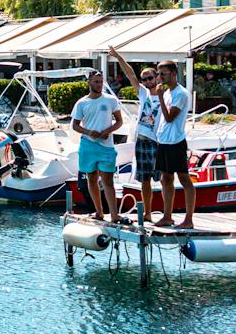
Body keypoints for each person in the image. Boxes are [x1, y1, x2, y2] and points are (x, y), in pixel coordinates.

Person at [105, 48, 158, 219]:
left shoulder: (167, 94)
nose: (147, 81)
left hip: (158, 140)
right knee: (144, 180)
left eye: (150, 78)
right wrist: (119, 57)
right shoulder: (144, 93)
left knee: (164, 179)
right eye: (145, 79)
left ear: (157, 77)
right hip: (142, 139)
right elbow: (130, 75)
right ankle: (148, 213)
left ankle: (167, 214)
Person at [69, 69, 125, 222]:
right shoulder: (82, 103)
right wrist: (88, 132)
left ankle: (114, 214)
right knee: (91, 178)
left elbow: (120, 121)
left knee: (108, 180)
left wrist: (108, 130)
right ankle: (99, 212)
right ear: (89, 82)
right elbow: (75, 125)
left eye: (101, 82)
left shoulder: (111, 100)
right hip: (88, 144)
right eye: (96, 81)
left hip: (106, 146)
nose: (99, 85)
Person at [153, 60, 196, 230]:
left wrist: (160, 98)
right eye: (159, 73)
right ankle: (167, 216)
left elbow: (170, 117)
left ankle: (189, 219)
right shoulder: (168, 92)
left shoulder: (181, 94)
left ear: (173, 74)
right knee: (166, 179)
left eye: (163, 73)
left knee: (184, 179)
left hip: (176, 141)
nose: (160, 77)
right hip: (164, 141)